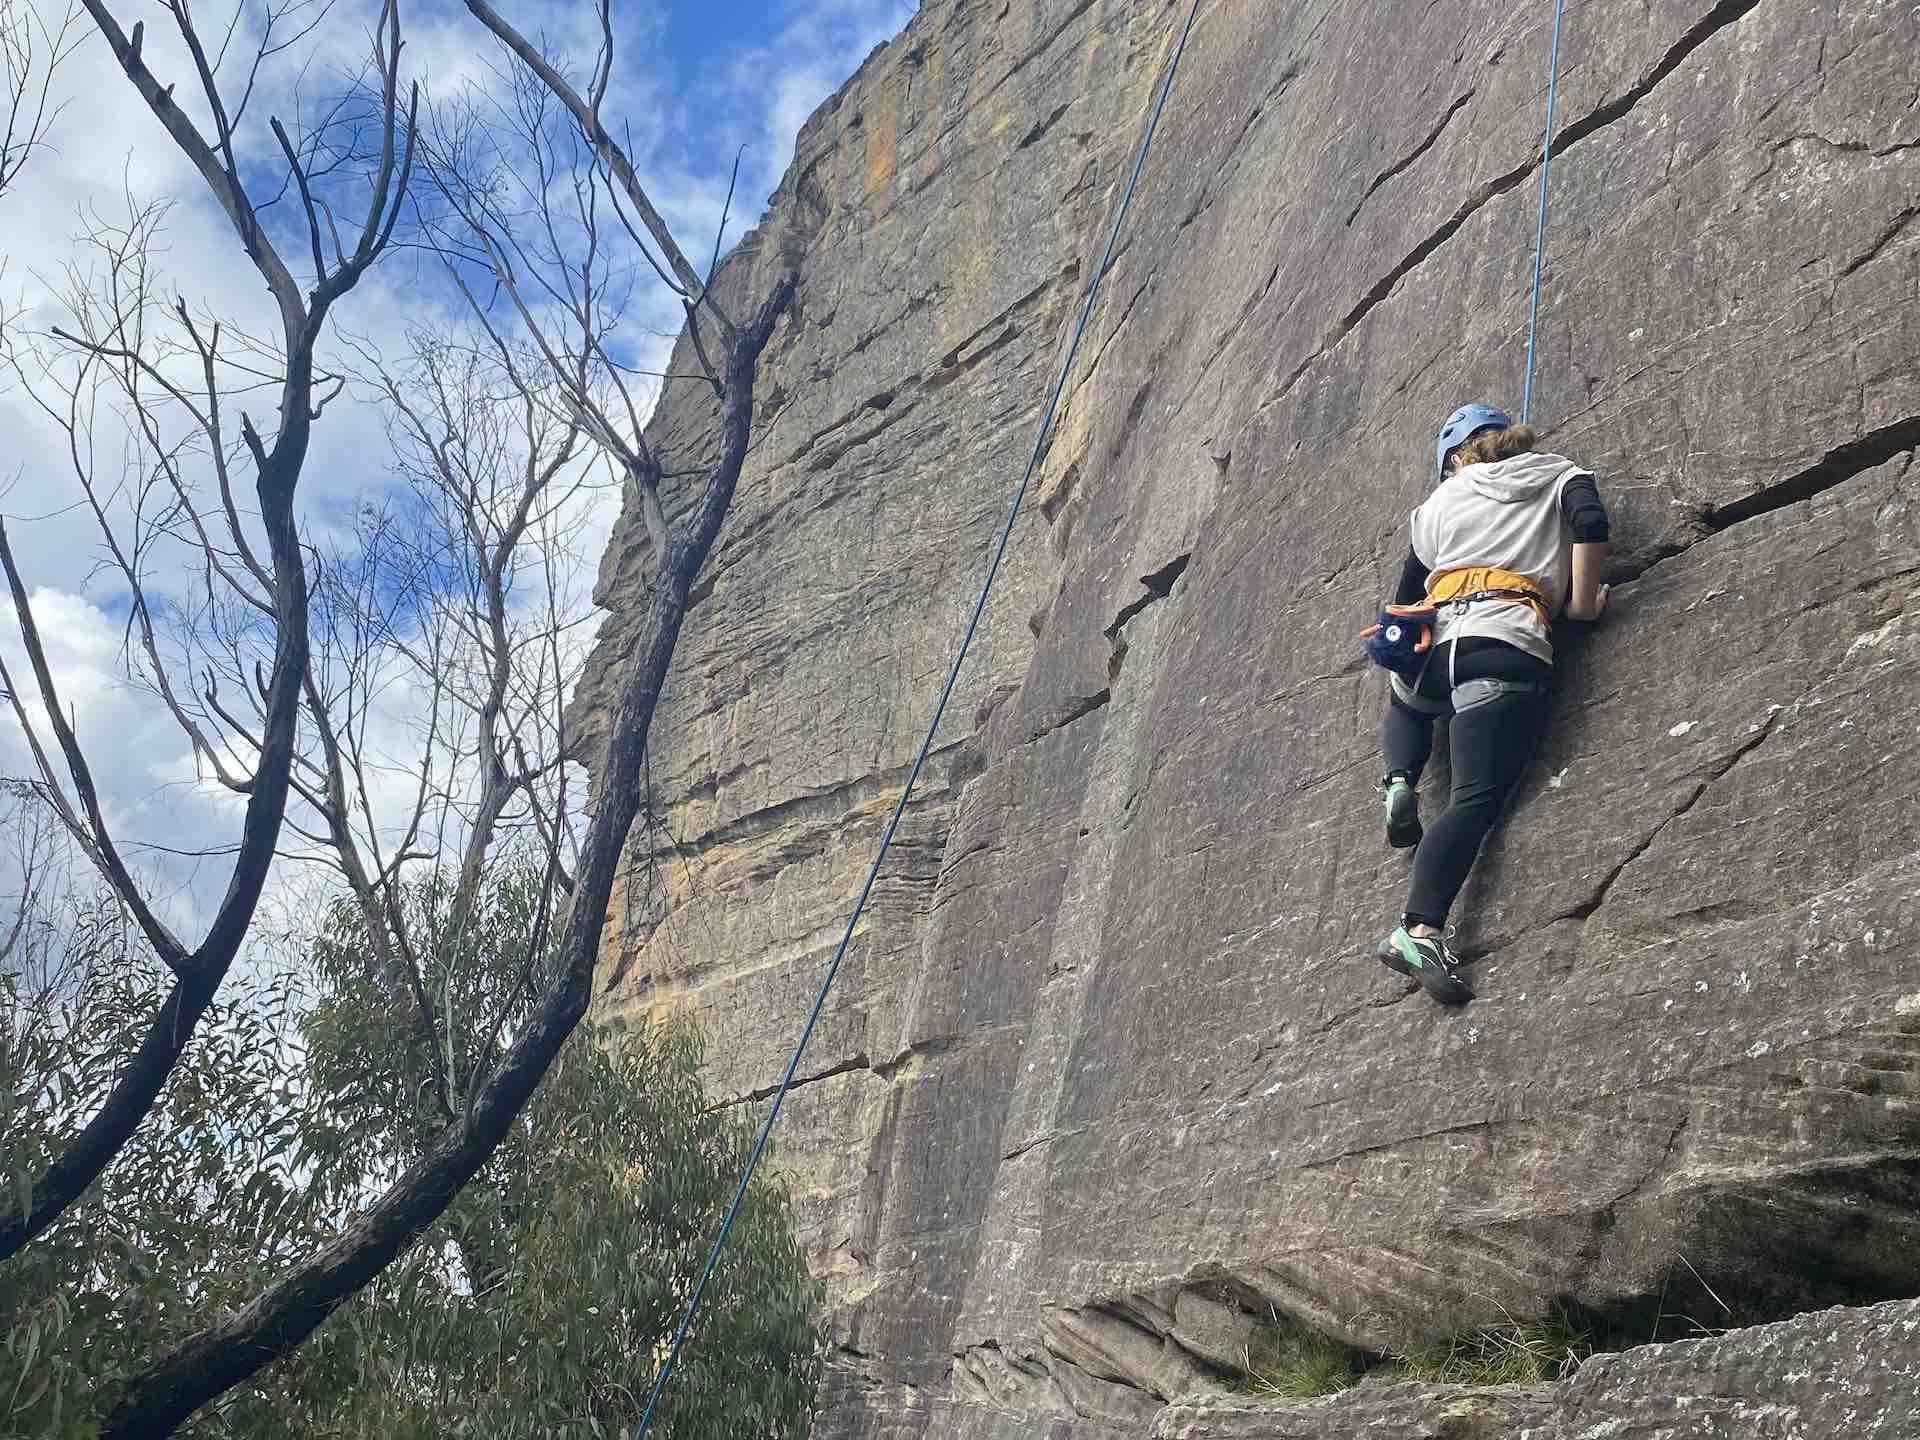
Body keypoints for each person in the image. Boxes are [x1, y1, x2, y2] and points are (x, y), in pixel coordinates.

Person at [1370, 402, 1611, 1005]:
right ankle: (1418, 928)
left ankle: (1399, 777)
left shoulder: (1436, 505)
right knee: (1473, 799)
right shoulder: (1561, 473)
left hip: (1436, 649)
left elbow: (1404, 602)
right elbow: (1590, 519)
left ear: (1457, 457)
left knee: (1405, 697)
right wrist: (1581, 604)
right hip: (1503, 641)